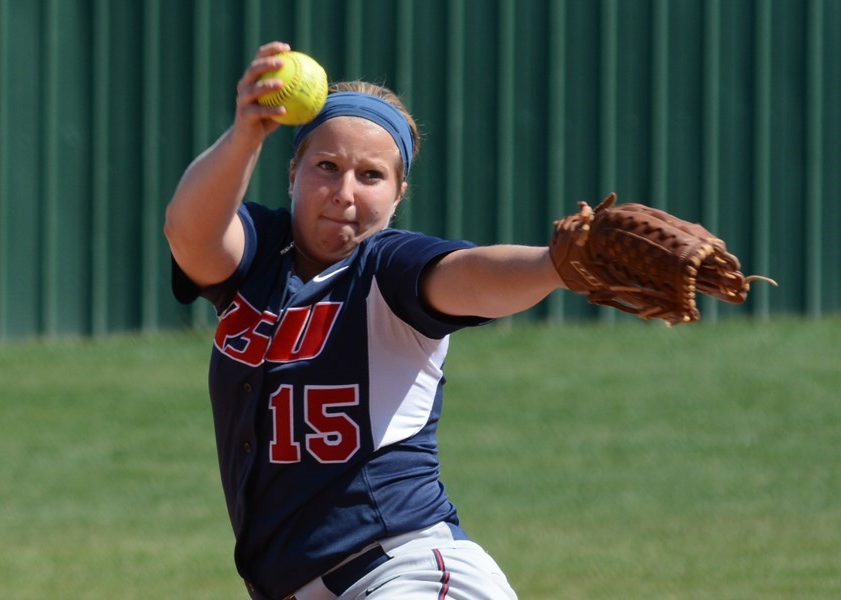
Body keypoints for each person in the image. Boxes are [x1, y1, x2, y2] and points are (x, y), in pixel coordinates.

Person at [164, 41, 565, 600]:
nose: (344, 194)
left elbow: (471, 278)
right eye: (326, 166)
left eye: (370, 175)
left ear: (399, 194)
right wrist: (245, 136)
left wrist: (557, 263)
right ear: (293, 172)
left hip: (408, 575)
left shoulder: (390, 268)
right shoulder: (258, 253)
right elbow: (190, 235)